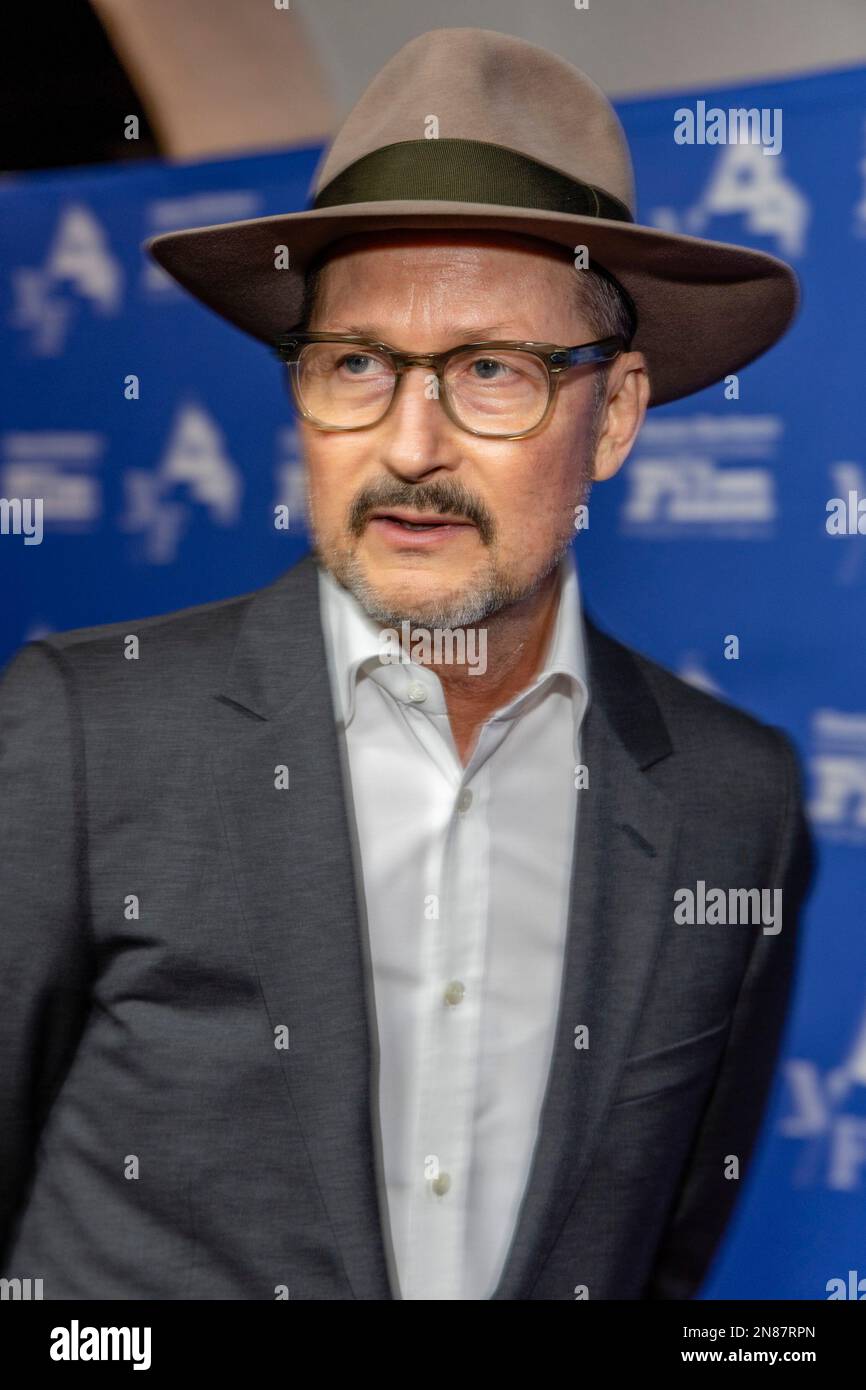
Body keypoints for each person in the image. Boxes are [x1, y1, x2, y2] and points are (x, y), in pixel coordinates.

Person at [0, 27, 813, 1300]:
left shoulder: (733, 802)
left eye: (490, 370)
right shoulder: (86, 735)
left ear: (614, 416)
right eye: (358, 365)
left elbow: (658, 1252)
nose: (410, 442)